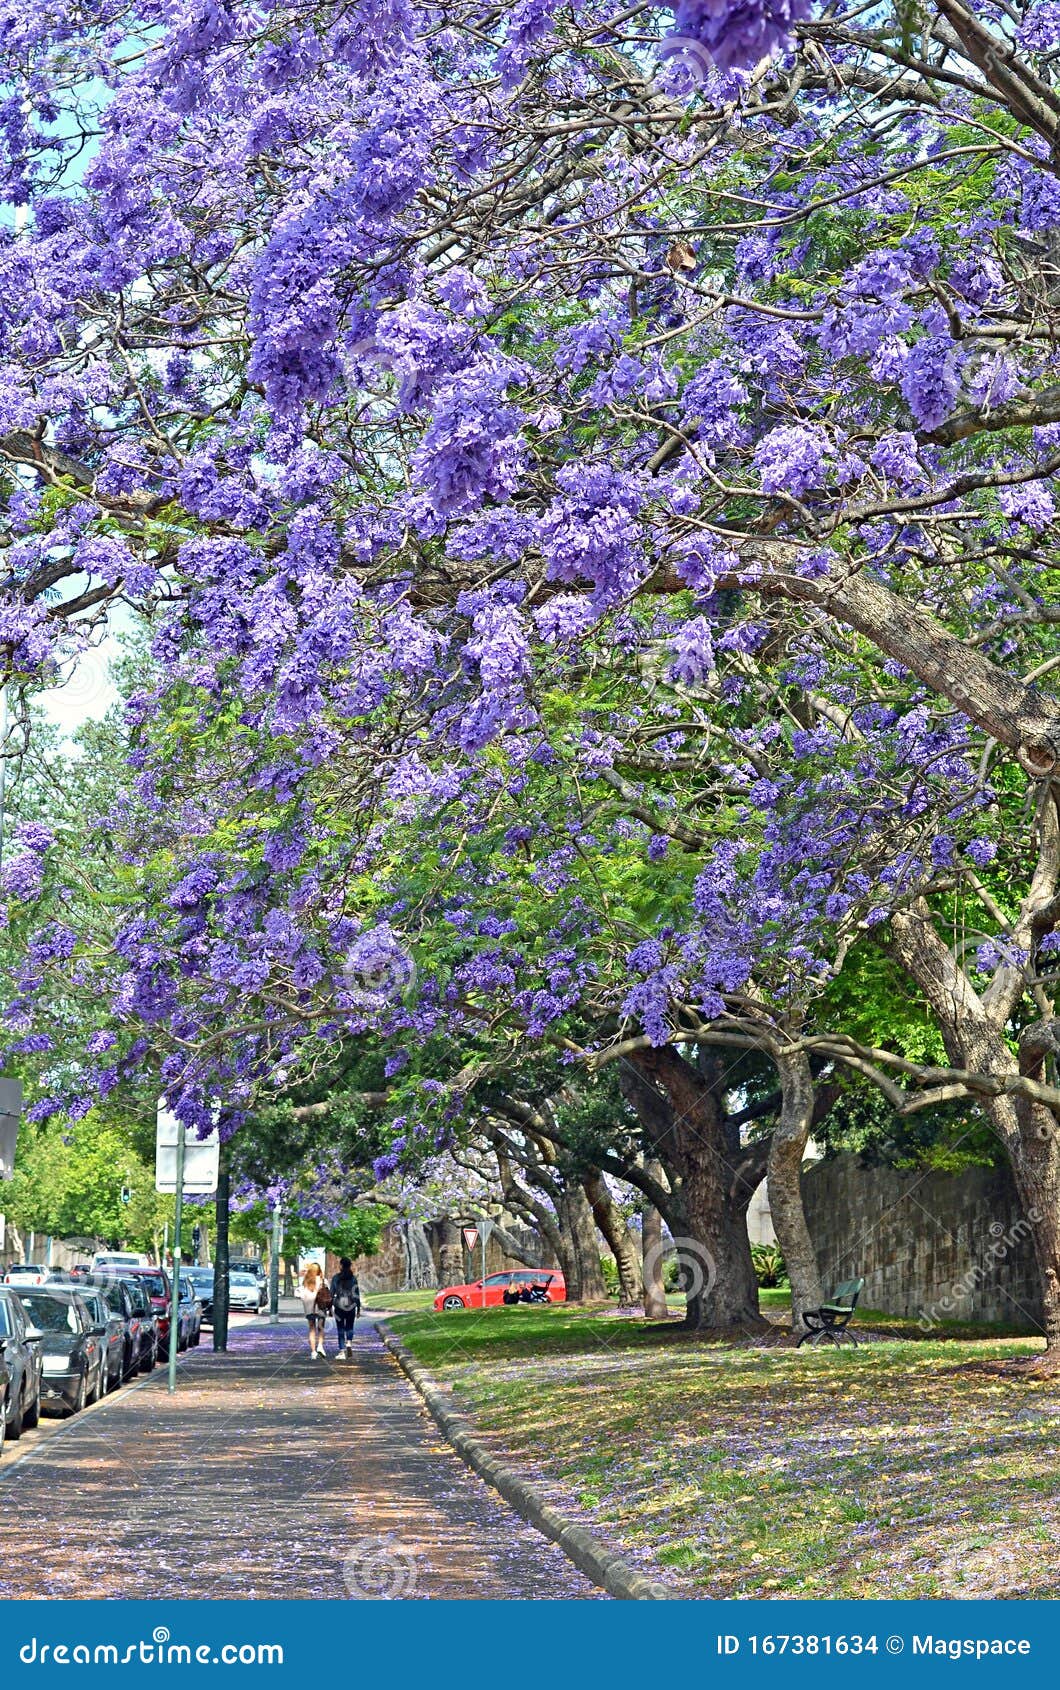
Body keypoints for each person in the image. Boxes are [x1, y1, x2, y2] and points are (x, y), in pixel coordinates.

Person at [330, 1257, 361, 1359]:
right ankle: (349, 1343)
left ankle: (342, 1351)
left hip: (339, 1305)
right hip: (351, 1305)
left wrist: (329, 1308)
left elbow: (331, 1294)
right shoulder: (353, 1278)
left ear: (341, 1266)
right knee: (349, 1326)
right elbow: (356, 1294)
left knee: (340, 1328)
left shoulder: (335, 1278)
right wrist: (358, 1308)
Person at [299, 1262, 330, 1359]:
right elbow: (328, 1294)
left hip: (309, 1309)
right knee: (321, 1328)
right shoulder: (323, 1281)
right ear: (320, 1271)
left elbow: (299, 1293)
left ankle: (313, 1352)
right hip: (321, 1307)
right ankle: (320, 1346)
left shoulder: (306, 1281)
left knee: (312, 1330)